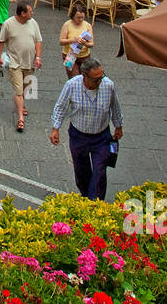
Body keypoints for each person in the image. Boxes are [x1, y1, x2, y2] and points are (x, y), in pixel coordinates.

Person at [50, 58, 123, 200]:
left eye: (101, 77)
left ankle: (94, 203)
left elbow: (115, 107)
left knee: (99, 172)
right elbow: (60, 107)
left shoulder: (108, 85)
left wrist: (118, 126)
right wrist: (55, 128)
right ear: (84, 76)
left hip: (101, 137)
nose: (99, 81)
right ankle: (85, 196)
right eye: (96, 79)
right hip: (78, 136)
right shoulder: (71, 85)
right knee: (81, 171)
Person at [0, 1, 42, 131]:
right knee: (18, 89)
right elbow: (1, 41)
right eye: (30, 11)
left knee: (26, 88)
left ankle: (21, 104)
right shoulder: (8, 24)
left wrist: (38, 57)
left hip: (29, 62)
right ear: (22, 13)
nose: (32, 13)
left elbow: (38, 41)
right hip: (14, 62)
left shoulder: (33, 23)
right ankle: (20, 118)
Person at [58, 2, 93, 77]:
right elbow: (61, 41)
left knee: (85, 78)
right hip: (70, 55)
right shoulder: (67, 25)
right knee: (74, 78)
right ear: (73, 16)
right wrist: (72, 40)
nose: (80, 20)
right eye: (78, 17)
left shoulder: (88, 26)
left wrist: (84, 43)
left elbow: (91, 44)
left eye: (82, 17)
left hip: (84, 56)